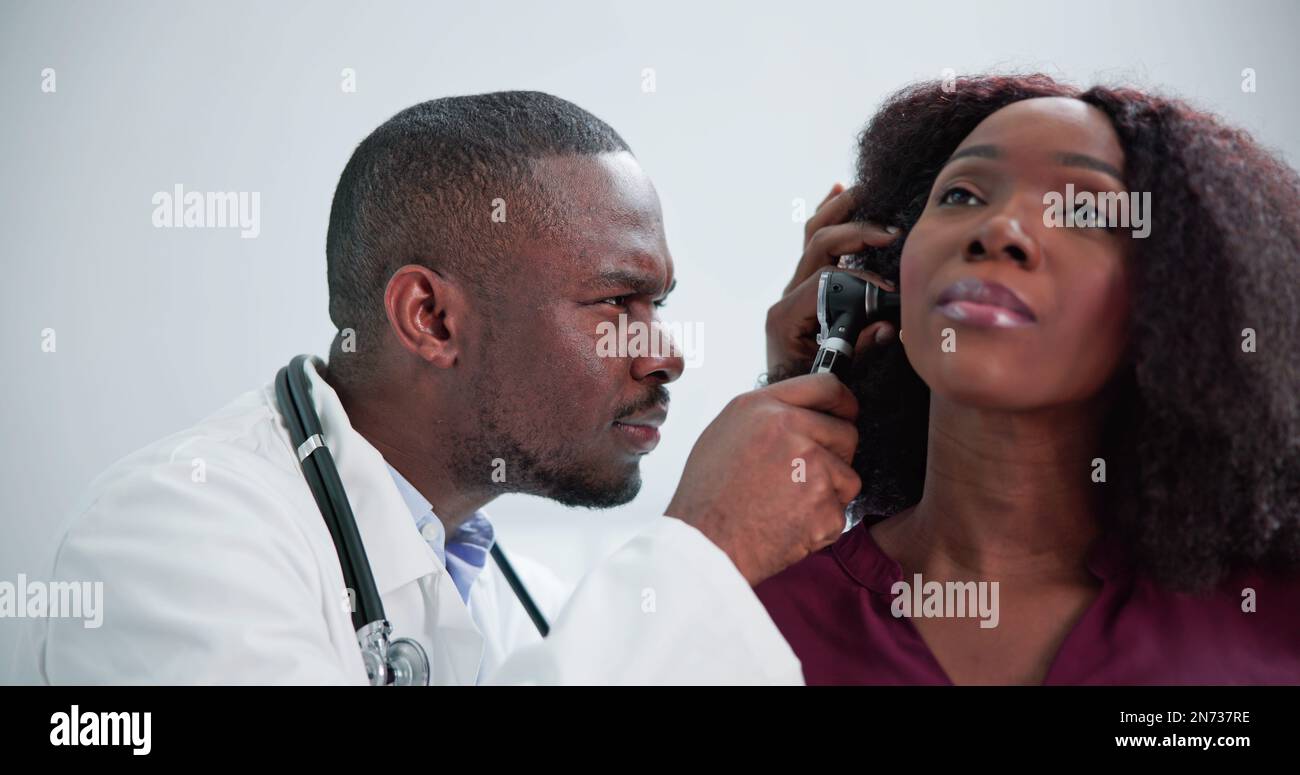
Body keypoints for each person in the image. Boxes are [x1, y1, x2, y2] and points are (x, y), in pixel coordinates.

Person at [18, 91, 862, 685]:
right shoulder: (175, 536)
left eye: (660, 304)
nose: (665, 354)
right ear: (431, 318)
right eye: (617, 302)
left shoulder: (508, 585)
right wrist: (706, 548)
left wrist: (798, 394)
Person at [757, 74, 1300, 685]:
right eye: (962, 195)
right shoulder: (748, 613)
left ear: (1179, 305)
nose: (999, 231)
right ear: (889, 282)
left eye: (1086, 210)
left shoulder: (1276, 627)